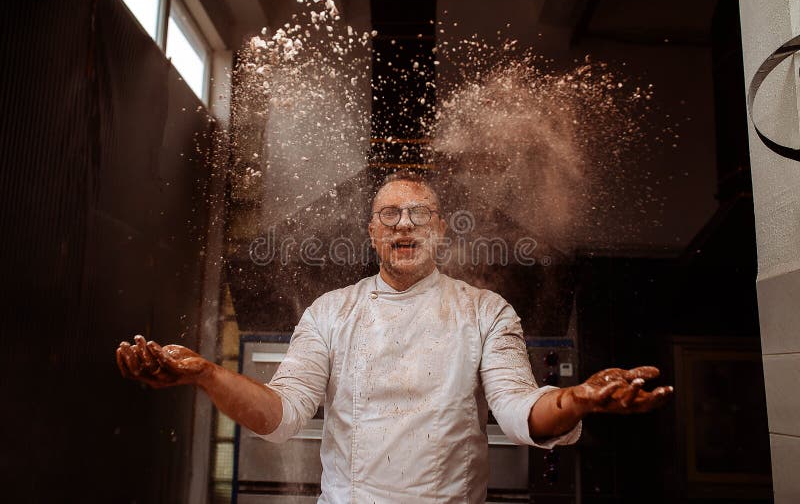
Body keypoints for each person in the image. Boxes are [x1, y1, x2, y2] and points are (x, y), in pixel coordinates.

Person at [117, 171, 673, 503]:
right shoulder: (332, 312)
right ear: (372, 234)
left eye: (418, 215)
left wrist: (575, 399)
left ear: (439, 230)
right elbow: (281, 415)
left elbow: (518, 411)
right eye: (389, 216)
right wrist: (208, 374)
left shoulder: (484, 311)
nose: (403, 225)